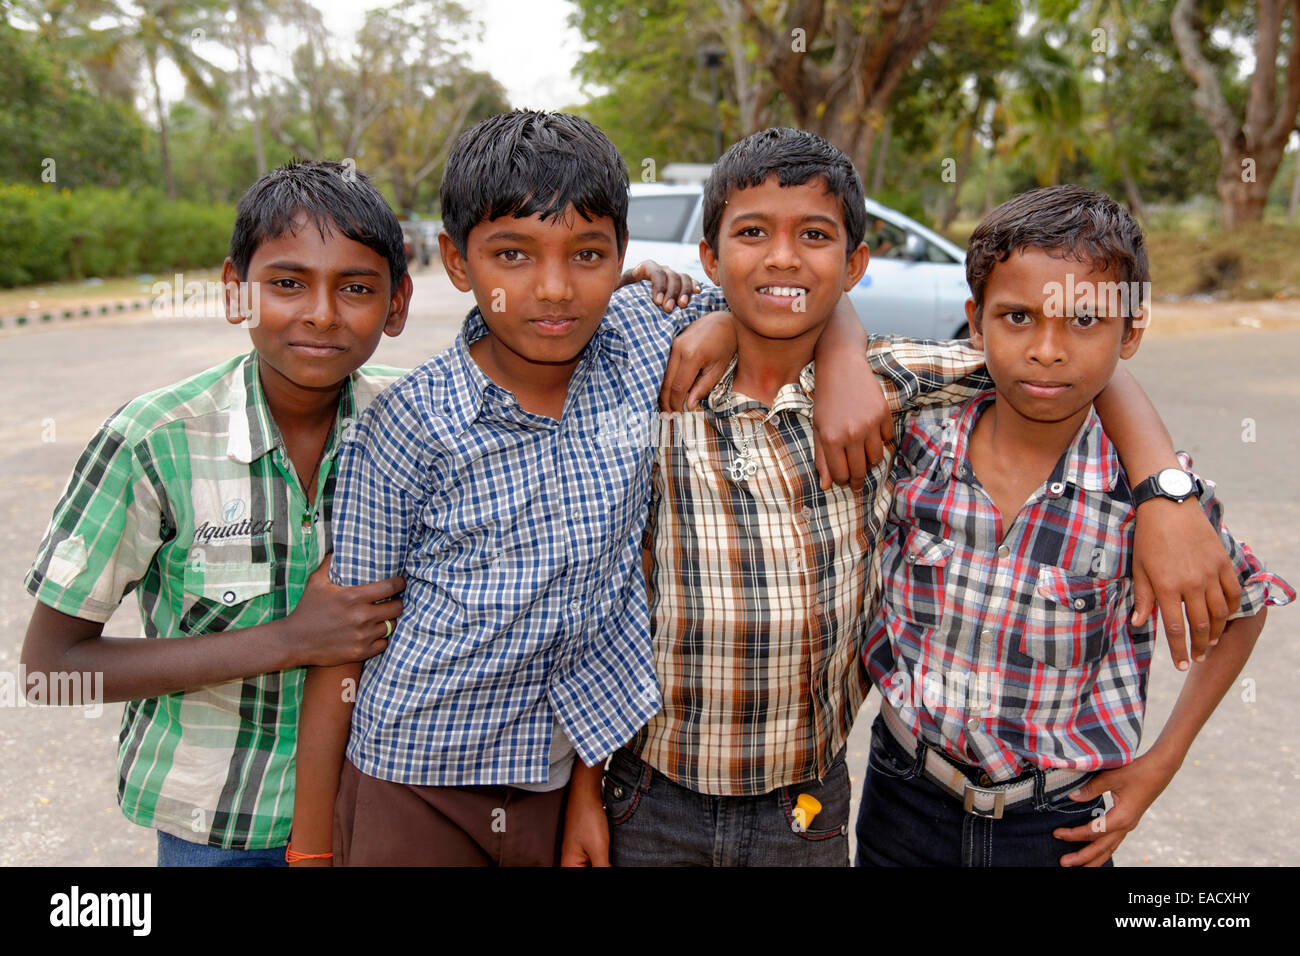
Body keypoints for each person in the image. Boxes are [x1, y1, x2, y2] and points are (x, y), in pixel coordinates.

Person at [594, 133, 1251, 867]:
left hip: (818, 803)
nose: (782, 257)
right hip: (661, 785)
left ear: (855, 265)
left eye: (814, 236)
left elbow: (1065, 368)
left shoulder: (902, 389)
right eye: (753, 234)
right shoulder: (667, 369)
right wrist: (723, 312)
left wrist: (1164, 489)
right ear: (710, 258)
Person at [287, 110, 885, 867]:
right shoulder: (408, 424)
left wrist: (843, 353)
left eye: (588, 254)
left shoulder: (642, 339)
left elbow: (784, 296)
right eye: (512, 253)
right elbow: (345, 642)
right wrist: (310, 850)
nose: (554, 289)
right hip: (415, 773)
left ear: (622, 255)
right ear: (457, 261)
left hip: (555, 776)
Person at [855, 184, 1294, 867]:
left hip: (1055, 827)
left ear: (1132, 331)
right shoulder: (916, 446)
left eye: (1085, 320)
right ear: (976, 322)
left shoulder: (1151, 504)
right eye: (1018, 317)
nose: (1048, 349)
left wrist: (1163, 761)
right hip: (903, 800)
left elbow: (1247, 605)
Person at [20, 160, 413, 865]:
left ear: (397, 304)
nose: (321, 312)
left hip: (377, 812)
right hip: (218, 833)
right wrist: (290, 640)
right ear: (236, 292)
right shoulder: (151, 443)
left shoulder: (416, 423)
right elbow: (52, 669)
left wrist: (646, 303)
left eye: (355, 288)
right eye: (287, 284)